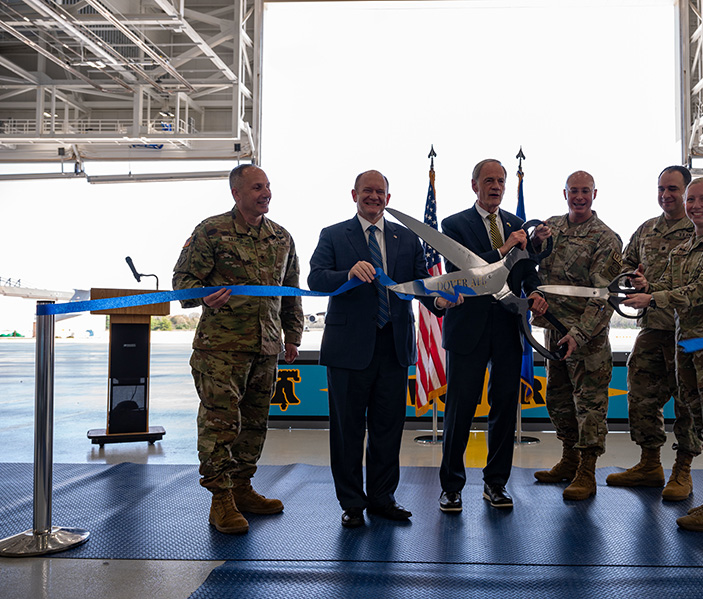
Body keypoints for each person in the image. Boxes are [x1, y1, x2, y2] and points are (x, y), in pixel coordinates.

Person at [308, 170, 453, 528]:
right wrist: (346, 274)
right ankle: (352, 504)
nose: (374, 197)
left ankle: (383, 498)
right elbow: (315, 278)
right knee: (348, 432)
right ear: (354, 194)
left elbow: (422, 284)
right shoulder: (333, 234)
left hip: (394, 348)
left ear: (388, 198)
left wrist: (440, 300)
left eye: (380, 192)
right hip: (348, 350)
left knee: (388, 429)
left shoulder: (406, 238)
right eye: (367, 191)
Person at [173, 164, 304, 535]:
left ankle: (243, 488)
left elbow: (291, 291)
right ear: (237, 193)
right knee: (220, 425)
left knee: (254, 425)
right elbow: (182, 282)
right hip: (221, 350)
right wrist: (202, 296)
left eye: (268, 187)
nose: (265, 193)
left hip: (265, 348)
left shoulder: (281, 238)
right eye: (257, 187)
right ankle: (221, 500)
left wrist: (291, 336)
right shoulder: (211, 231)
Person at [624, 177, 703, 532]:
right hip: (688, 347)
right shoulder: (684, 249)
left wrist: (654, 299)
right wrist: (649, 287)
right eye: (692, 199)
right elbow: (674, 286)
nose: (696, 205)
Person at [438, 158, 548, 513]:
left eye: (501, 180)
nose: (496, 186)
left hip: (507, 329)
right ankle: (452, 487)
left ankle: (496, 484)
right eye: (489, 180)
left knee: (503, 409)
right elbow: (464, 271)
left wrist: (535, 291)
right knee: (460, 411)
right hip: (468, 330)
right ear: (475, 185)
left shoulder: (517, 225)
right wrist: (504, 249)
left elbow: (525, 272)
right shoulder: (453, 224)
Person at [605, 166, 702, 502]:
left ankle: (683, 470)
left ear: (687, 192)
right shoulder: (647, 229)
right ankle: (649, 464)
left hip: (687, 331)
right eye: (661, 188)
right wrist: (631, 277)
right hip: (652, 328)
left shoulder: (699, 229)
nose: (666, 195)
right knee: (641, 396)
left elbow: (700, 284)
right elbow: (624, 265)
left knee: (688, 403)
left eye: (673, 189)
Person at [531, 171, 622, 500]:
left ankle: (587, 470)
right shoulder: (550, 227)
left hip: (587, 338)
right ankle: (569, 458)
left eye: (585, 191)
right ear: (564, 193)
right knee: (557, 400)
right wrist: (535, 242)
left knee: (589, 406)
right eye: (574, 191)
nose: (579, 197)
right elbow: (531, 263)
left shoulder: (606, 239)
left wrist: (579, 335)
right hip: (554, 332)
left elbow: (605, 298)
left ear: (594, 194)